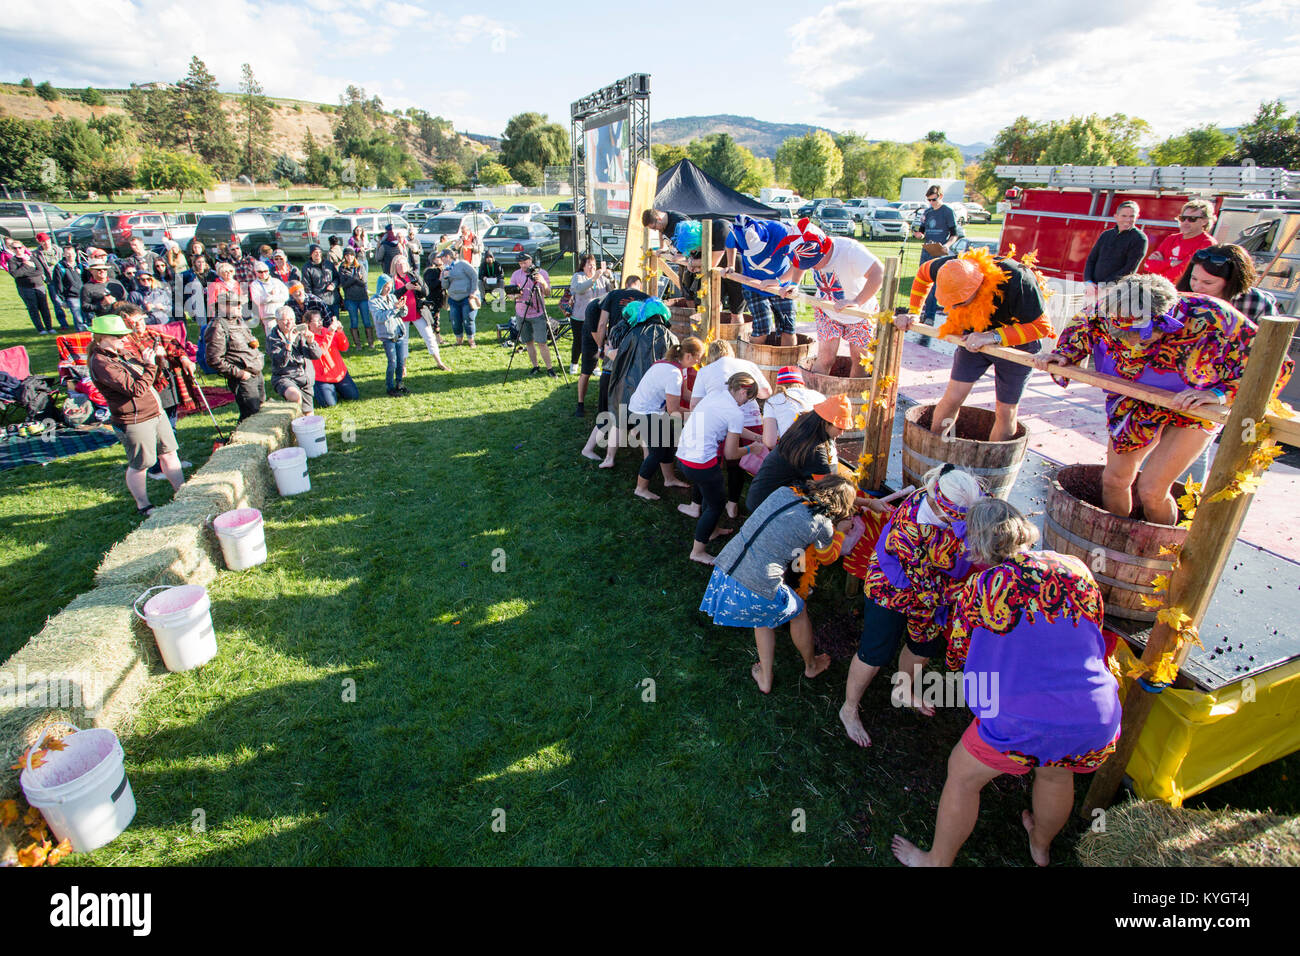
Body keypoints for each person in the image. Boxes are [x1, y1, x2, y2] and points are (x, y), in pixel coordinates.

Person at [891, 499, 1119, 868]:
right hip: (1093, 712)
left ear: (978, 545)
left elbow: (958, 652)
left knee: (963, 776)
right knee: (1057, 776)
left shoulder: (984, 585)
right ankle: (1040, 845)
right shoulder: (1074, 566)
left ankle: (937, 861)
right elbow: (1090, 624)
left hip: (1022, 717)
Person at [1037, 273, 1291, 524]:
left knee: (1152, 490)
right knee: (1115, 480)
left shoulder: (1215, 315)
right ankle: (1118, 545)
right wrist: (1064, 354)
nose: (1132, 342)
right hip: (1138, 399)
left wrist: (1220, 394)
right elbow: (1081, 328)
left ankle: (1157, 555)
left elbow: (1273, 365)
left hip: (1195, 406)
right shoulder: (1109, 307)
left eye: (1137, 334)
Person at [839, 465, 984, 748]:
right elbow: (929, 593)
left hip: (940, 585)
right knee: (875, 650)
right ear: (938, 507)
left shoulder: (964, 491)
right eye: (958, 519)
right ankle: (848, 708)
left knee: (924, 644)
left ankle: (903, 689)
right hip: (893, 589)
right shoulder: (909, 530)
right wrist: (975, 589)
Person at [701, 476, 861, 693]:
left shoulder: (785, 491)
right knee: (798, 611)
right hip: (757, 585)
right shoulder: (822, 524)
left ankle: (766, 677)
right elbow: (828, 557)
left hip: (726, 568)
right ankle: (811, 666)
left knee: (762, 615)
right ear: (841, 508)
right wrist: (841, 530)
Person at [896, 247, 1052, 443]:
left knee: (1005, 410)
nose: (953, 308)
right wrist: (914, 311)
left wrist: (992, 336)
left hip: (1017, 345)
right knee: (953, 397)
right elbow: (921, 274)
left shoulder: (1019, 279)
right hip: (973, 337)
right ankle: (933, 450)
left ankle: (992, 468)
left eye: (959, 303)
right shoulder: (947, 267)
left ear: (978, 286)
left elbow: (1042, 327)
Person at [87, 312, 185, 516]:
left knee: (169, 453)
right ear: (102, 338)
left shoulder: (123, 353)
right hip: (135, 419)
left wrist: (157, 361)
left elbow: (149, 380)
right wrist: (149, 365)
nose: (125, 339)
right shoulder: (101, 363)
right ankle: (144, 505)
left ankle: (183, 493)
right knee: (141, 463)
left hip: (155, 412)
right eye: (118, 336)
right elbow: (136, 389)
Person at [676, 371, 762, 565]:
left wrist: (755, 437)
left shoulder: (716, 395)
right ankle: (697, 551)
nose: (745, 403)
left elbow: (732, 426)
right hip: (701, 463)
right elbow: (731, 454)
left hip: (684, 455)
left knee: (710, 493)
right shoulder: (735, 412)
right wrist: (751, 448)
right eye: (748, 399)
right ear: (742, 391)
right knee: (716, 504)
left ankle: (712, 531)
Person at [779, 218, 883, 376]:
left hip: (860, 313)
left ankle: (852, 399)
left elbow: (879, 272)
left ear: (824, 249)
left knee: (860, 359)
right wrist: (794, 283)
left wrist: (857, 301)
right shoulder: (806, 252)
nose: (812, 267)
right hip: (827, 309)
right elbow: (800, 263)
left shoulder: (850, 250)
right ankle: (815, 397)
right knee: (826, 357)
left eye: (814, 262)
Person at [119, 302, 195, 477]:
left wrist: (184, 359)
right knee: (154, 432)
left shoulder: (154, 335)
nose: (139, 325)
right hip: (147, 391)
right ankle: (155, 467)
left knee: (171, 425)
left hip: (167, 386)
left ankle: (171, 459)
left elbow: (175, 347)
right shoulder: (126, 344)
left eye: (141, 320)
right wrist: (154, 361)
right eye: (134, 322)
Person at [628, 336, 705, 500]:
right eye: (699, 358)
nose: (699, 361)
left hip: (653, 409)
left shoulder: (678, 365)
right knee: (656, 452)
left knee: (668, 442)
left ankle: (669, 479)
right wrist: (699, 416)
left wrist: (703, 400)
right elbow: (674, 410)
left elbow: (684, 393)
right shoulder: (673, 374)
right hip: (643, 411)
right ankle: (640, 488)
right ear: (689, 356)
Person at [746, 394, 851, 512]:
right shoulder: (815, 451)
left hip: (757, 496)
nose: (842, 433)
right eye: (840, 428)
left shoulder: (802, 425)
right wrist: (868, 502)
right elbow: (831, 491)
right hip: (766, 506)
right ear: (826, 423)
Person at [724, 215, 798, 346]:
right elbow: (730, 244)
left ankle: (788, 365)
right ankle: (753, 362)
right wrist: (731, 265)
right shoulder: (738, 231)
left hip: (782, 287)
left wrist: (779, 281)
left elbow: (799, 263)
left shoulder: (782, 232)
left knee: (788, 328)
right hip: (753, 285)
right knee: (761, 328)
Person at [580, 275, 646, 420]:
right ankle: (629, 416)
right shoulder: (646, 298)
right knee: (631, 378)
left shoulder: (614, 294)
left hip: (615, 341)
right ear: (639, 286)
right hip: (634, 343)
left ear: (626, 284)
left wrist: (600, 347)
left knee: (608, 374)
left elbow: (602, 323)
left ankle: (603, 415)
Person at [205, 284, 266, 421]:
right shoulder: (217, 327)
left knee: (261, 411)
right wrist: (240, 374)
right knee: (250, 416)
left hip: (256, 371)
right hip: (244, 378)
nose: (240, 306)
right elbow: (214, 359)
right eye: (235, 304)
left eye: (239, 304)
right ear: (222, 307)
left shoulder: (238, 321)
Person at [1175, 242, 1279, 321]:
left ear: (1231, 282)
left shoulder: (1257, 302)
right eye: (1193, 278)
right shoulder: (1177, 298)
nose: (1197, 287)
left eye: (1207, 283)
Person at [393, 254, 449, 370]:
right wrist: (405, 288)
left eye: (403, 263)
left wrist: (418, 288)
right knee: (403, 340)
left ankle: (439, 362)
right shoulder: (392, 279)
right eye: (398, 264)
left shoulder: (413, 275)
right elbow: (391, 296)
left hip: (418, 311)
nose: (401, 266)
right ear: (395, 266)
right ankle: (402, 367)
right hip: (401, 314)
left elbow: (426, 292)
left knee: (429, 336)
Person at [266, 305, 322, 415]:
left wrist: (311, 342)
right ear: (277, 321)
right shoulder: (272, 338)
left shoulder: (300, 333)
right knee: (295, 396)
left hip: (304, 376)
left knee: (309, 415)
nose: (289, 323)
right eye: (285, 320)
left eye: (291, 319)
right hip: (285, 376)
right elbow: (280, 363)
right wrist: (288, 343)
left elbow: (317, 355)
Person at [1143, 199, 1215, 283]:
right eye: (1183, 218)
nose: (1185, 222)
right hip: (1162, 288)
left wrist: (1162, 265)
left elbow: (1183, 272)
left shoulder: (1207, 243)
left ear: (1205, 221)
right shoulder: (1171, 239)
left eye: (1192, 219)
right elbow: (1148, 265)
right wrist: (1172, 263)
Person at [1083, 200, 1148, 293]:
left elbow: (1129, 269)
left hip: (1115, 291)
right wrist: (1088, 281)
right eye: (1124, 216)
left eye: (1132, 216)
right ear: (1116, 217)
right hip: (1092, 288)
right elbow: (1091, 259)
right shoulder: (1106, 235)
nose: (1128, 220)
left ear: (1137, 217)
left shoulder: (1139, 239)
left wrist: (1104, 285)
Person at [569, 254, 615, 375]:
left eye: (594, 265)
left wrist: (611, 278)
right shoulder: (578, 276)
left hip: (597, 317)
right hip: (579, 317)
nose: (592, 267)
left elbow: (612, 292)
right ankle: (574, 363)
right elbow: (578, 289)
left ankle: (595, 366)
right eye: (589, 264)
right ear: (583, 266)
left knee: (597, 342)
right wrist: (593, 278)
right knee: (578, 341)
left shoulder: (602, 278)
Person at [760, 366, 825, 449]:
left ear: (779, 384)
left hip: (791, 452)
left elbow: (769, 443)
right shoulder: (819, 397)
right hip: (819, 450)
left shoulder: (772, 402)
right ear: (801, 381)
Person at [510, 252, 554, 375]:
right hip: (521, 312)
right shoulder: (516, 274)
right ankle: (535, 366)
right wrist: (514, 295)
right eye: (520, 263)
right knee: (528, 341)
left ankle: (549, 368)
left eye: (525, 262)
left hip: (538, 313)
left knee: (542, 342)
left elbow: (548, 293)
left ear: (531, 261)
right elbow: (510, 293)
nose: (523, 265)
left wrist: (543, 282)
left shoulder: (542, 273)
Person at [308, 309, 360, 407]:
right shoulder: (309, 338)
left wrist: (340, 332)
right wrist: (330, 333)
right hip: (322, 378)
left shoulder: (326, 331)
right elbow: (320, 352)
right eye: (316, 321)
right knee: (329, 404)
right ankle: (320, 390)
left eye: (320, 320)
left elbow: (344, 347)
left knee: (353, 396)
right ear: (308, 324)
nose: (320, 322)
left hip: (339, 373)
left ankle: (336, 388)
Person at [372, 274, 410, 397]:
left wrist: (403, 307)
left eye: (390, 286)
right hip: (387, 336)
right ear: (380, 287)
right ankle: (390, 386)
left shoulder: (393, 297)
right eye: (386, 287)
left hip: (398, 332)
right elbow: (379, 317)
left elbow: (402, 314)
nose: (388, 289)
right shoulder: (373, 301)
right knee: (392, 362)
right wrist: (394, 309)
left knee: (400, 362)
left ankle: (399, 383)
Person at [7, 242, 55, 334]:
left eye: (19, 247)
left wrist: (25, 273)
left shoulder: (32, 258)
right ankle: (41, 329)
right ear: (12, 249)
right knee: (33, 308)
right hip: (25, 288)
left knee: (44, 307)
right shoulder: (12, 261)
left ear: (23, 247)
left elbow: (40, 271)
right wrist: (25, 265)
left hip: (39, 286)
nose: (18, 250)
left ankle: (49, 327)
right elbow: (15, 274)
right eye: (15, 248)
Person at [32, 233, 71, 330]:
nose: (46, 243)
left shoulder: (58, 250)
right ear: (40, 242)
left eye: (47, 240)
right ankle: (63, 324)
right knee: (57, 303)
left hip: (65, 278)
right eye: (43, 242)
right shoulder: (36, 254)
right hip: (51, 280)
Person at [443, 249, 480, 348]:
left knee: (468, 318)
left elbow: (474, 275)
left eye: (442, 257)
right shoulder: (446, 269)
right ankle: (459, 340)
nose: (441, 260)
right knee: (455, 319)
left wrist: (473, 291)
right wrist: (445, 277)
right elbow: (445, 286)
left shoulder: (463, 264)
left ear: (448, 257)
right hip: (453, 298)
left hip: (466, 296)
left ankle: (471, 340)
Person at [338, 247, 373, 348]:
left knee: (367, 320)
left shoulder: (360, 266)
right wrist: (356, 278)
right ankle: (358, 344)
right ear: (344, 256)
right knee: (354, 321)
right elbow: (344, 284)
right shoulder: (342, 268)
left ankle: (370, 342)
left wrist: (352, 280)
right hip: (350, 298)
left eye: (351, 255)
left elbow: (364, 282)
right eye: (347, 255)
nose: (349, 257)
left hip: (362, 297)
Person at [52, 244, 86, 332]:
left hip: (83, 295)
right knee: (78, 318)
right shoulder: (60, 267)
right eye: (68, 254)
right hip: (71, 296)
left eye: (72, 253)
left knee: (86, 316)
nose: (71, 256)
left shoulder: (80, 265)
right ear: (63, 255)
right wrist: (62, 299)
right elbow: (58, 284)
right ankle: (81, 334)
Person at [249, 260, 289, 333]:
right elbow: (257, 300)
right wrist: (270, 295)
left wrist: (270, 298)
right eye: (260, 272)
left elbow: (285, 296)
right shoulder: (254, 285)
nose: (263, 273)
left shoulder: (276, 281)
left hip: (281, 314)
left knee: (285, 333)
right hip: (268, 316)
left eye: (265, 271)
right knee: (272, 335)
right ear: (256, 272)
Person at [301, 244, 339, 318]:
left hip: (333, 299)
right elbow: (307, 286)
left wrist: (333, 285)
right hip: (319, 300)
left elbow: (337, 278)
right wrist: (312, 301)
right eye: (315, 252)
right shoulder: (307, 268)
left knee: (335, 322)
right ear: (311, 254)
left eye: (319, 252)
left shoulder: (329, 264)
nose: (318, 254)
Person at [206, 262, 245, 330]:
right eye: (226, 272)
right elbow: (212, 302)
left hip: (236, 313)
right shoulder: (215, 285)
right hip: (222, 314)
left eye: (231, 271)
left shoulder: (236, 284)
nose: (229, 273)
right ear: (220, 273)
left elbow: (240, 298)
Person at [181, 254, 212, 323]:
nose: (201, 264)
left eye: (203, 262)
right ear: (194, 263)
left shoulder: (211, 273)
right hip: (196, 300)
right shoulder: (187, 274)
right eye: (199, 262)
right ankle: (202, 333)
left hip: (209, 299)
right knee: (202, 322)